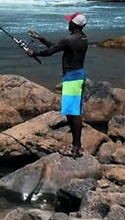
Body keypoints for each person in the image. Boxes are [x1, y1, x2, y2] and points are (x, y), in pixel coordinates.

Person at [26, 11, 89, 158]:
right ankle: (76, 145)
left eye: (70, 21)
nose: (68, 23)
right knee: (72, 112)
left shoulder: (71, 39)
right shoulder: (81, 38)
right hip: (77, 76)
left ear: (74, 24)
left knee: (73, 113)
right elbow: (57, 46)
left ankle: (76, 147)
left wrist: (33, 53)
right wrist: (41, 38)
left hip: (72, 79)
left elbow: (50, 52)